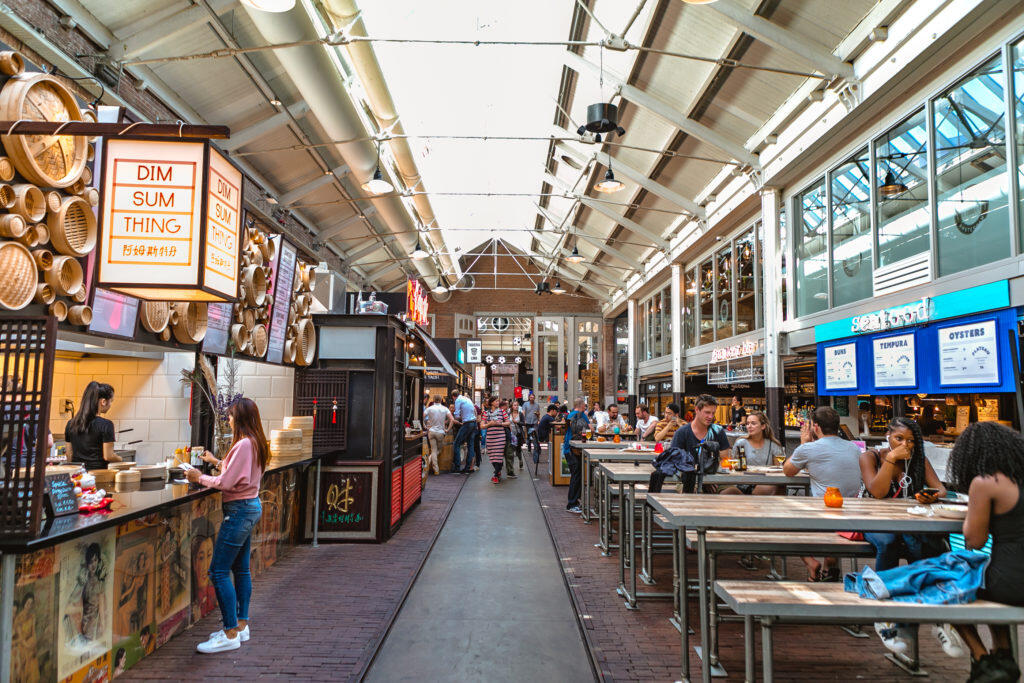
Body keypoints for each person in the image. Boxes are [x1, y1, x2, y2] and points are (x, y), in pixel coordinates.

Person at [857, 417, 951, 657]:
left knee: (920, 547)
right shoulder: (870, 457)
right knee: (888, 543)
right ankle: (883, 612)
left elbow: (940, 488)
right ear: (888, 436)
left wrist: (932, 495)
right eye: (899, 438)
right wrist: (891, 459)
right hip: (874, 520)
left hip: (909, 522)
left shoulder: (919, 461)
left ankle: (925, 618)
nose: (905, 445)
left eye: (910, 441)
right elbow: (877, 492)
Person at [186, 397, 267, 654]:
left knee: (218, 572)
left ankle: (230, 633)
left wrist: (199, 477)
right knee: (241, 570)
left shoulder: (243, 444)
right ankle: (241, 625)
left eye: (231, 416)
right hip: (250, 507)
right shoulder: (256, 442)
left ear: (239, 419)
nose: (228, 420)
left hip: (239, 511)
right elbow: (239, 473)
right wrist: (215, 462)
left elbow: (227, 483)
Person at [945, 422, 1024, 682]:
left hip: (1013, 582)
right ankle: (1003, 654)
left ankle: (983, 660)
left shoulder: (986, 482)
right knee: (988, 581)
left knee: (946, 586)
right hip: (1009, 581)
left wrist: (975, 510)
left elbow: (974, 540)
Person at [783, 406, 862, 581]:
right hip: (853, 512)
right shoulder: (854, 448)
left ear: (816, 427)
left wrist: (803, 444)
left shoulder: (808, 449)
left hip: (824, 513)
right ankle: (829, 565)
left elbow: (788, 471)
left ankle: (811, 563)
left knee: (784, 522)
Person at [669, 394, 731, 493]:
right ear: (697, 410)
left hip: (715, 476)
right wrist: (702, 481)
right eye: (707, 412)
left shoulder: (718, 431)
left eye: (713, 413)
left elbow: (725, 458)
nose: (710, 417)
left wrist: (710, 479)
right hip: (688, 478)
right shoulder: (682, 432)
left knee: (732, 492)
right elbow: (675, 461)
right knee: (691, 491)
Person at [721, 411, 785, 496]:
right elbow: (733, 466)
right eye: (747, 423)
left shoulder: (773, 445)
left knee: (765, 488)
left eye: (753, 423)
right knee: (727, 492)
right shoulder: (741, 443)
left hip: (765, 483)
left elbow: (779, 469)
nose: (749, 426)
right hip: (743, 483)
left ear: (763, 426)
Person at [66, 381, 121, 470]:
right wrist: (120, 459)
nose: (110, 404)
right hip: (98, 473)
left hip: (78, 473)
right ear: (103, 401)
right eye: (111, 401)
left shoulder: (71, 423)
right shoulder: (106, 424)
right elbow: (108, 456)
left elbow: (69, 454)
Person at [563, 398, 590, 513]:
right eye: (584, 405)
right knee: (576, 476)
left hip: (568, 448)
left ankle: (575, 502)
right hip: (574, 449)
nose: (585, 407)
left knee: (576, 475)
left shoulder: (570, 415)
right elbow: (591, 429)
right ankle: (572, 504)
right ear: (581, 405)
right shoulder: (582, 415)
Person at [422, 397, 454, 476]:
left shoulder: (429, 408)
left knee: (433, 450)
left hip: (431, 431)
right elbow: (452, 419)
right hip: (440, 432)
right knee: (438, 450)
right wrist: (447, 429)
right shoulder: (445, 409)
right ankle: (432, 467)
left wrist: (425, 426)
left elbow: (421, 417)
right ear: (440, 400)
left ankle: (433, 468)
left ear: (433, 400)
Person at [482, 397, 510, 484]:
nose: (498, 402)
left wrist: (500, 423)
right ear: (491, 403)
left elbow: (508, 422)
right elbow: (481, 426)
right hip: (490, 438)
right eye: (496, 401)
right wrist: (489, 424)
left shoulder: (502, 411)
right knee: (492, 456)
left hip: (500, 437)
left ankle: (495, 475)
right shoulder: (486, 413)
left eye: (498, 401)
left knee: (498, 455)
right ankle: (498, 470)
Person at [450, 391, 478, 474]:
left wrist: (457, 418)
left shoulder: (458, 400)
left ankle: (457, 468)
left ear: (453, 397)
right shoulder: (466, 399)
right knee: (470, 445)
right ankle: (468, 468)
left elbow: (457, 415)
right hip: (474, 422)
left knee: (456, 444)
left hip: (467, 423)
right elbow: (474, 411)